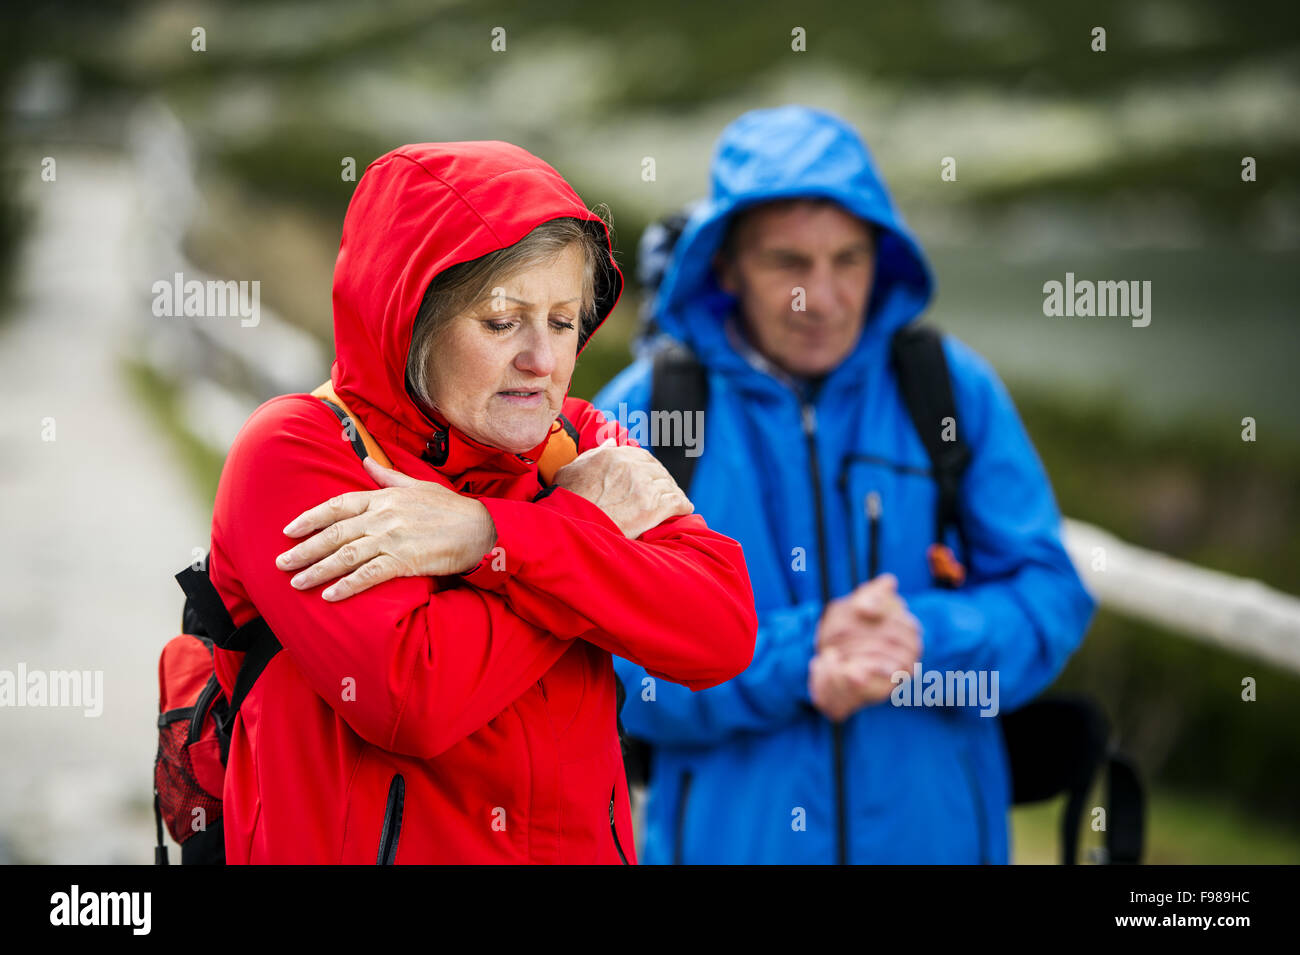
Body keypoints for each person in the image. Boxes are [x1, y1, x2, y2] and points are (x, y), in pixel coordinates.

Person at [206, 141, 757, 864]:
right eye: (501, 321)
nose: (543, 358)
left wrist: (486, 535)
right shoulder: (299, 450)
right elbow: (412, 696)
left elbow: (721, 628)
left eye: (563, 321)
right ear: (408, 317)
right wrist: (576, 536)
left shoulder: (580, 439)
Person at [595, 105, 1096, 864]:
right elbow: (605, 674)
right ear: (724, 265)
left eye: (849, 259)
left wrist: (922, 639)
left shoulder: (950, 388)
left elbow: (1050, 595)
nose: (822, 298)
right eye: (788, 262)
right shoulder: (646, 414)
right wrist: (802, 656)